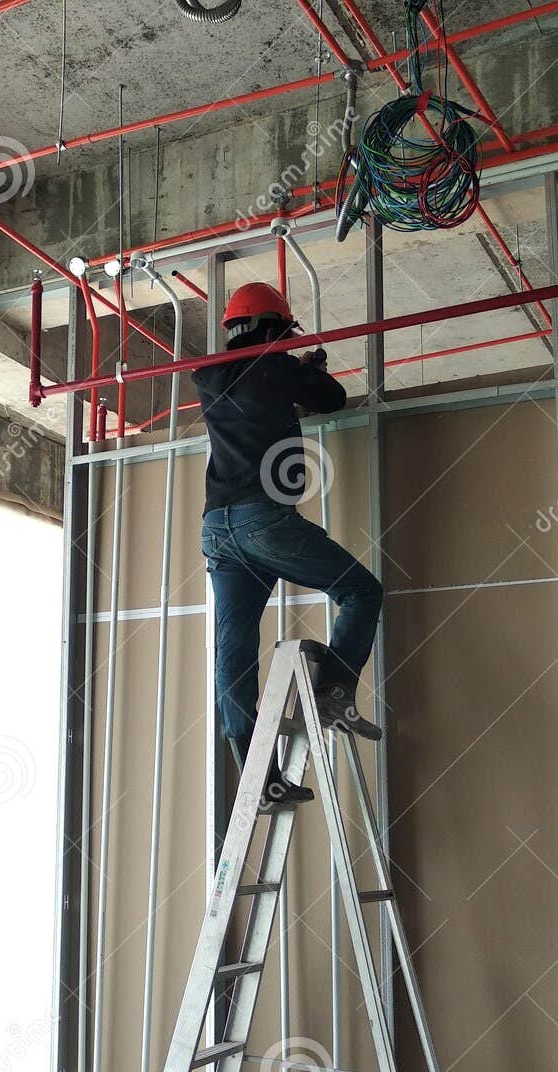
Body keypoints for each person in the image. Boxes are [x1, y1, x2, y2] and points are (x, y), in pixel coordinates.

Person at [193, 281, 385, 811]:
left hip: (217, 527)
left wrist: (294, 370)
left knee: (233, 652)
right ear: (275, 328)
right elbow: (332, 399)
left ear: (233, 326)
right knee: (361, 592)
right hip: (262, 520)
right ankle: (333, 693)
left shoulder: (206, 373)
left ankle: (260, 778)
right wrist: (311, 372)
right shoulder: (276, 367)